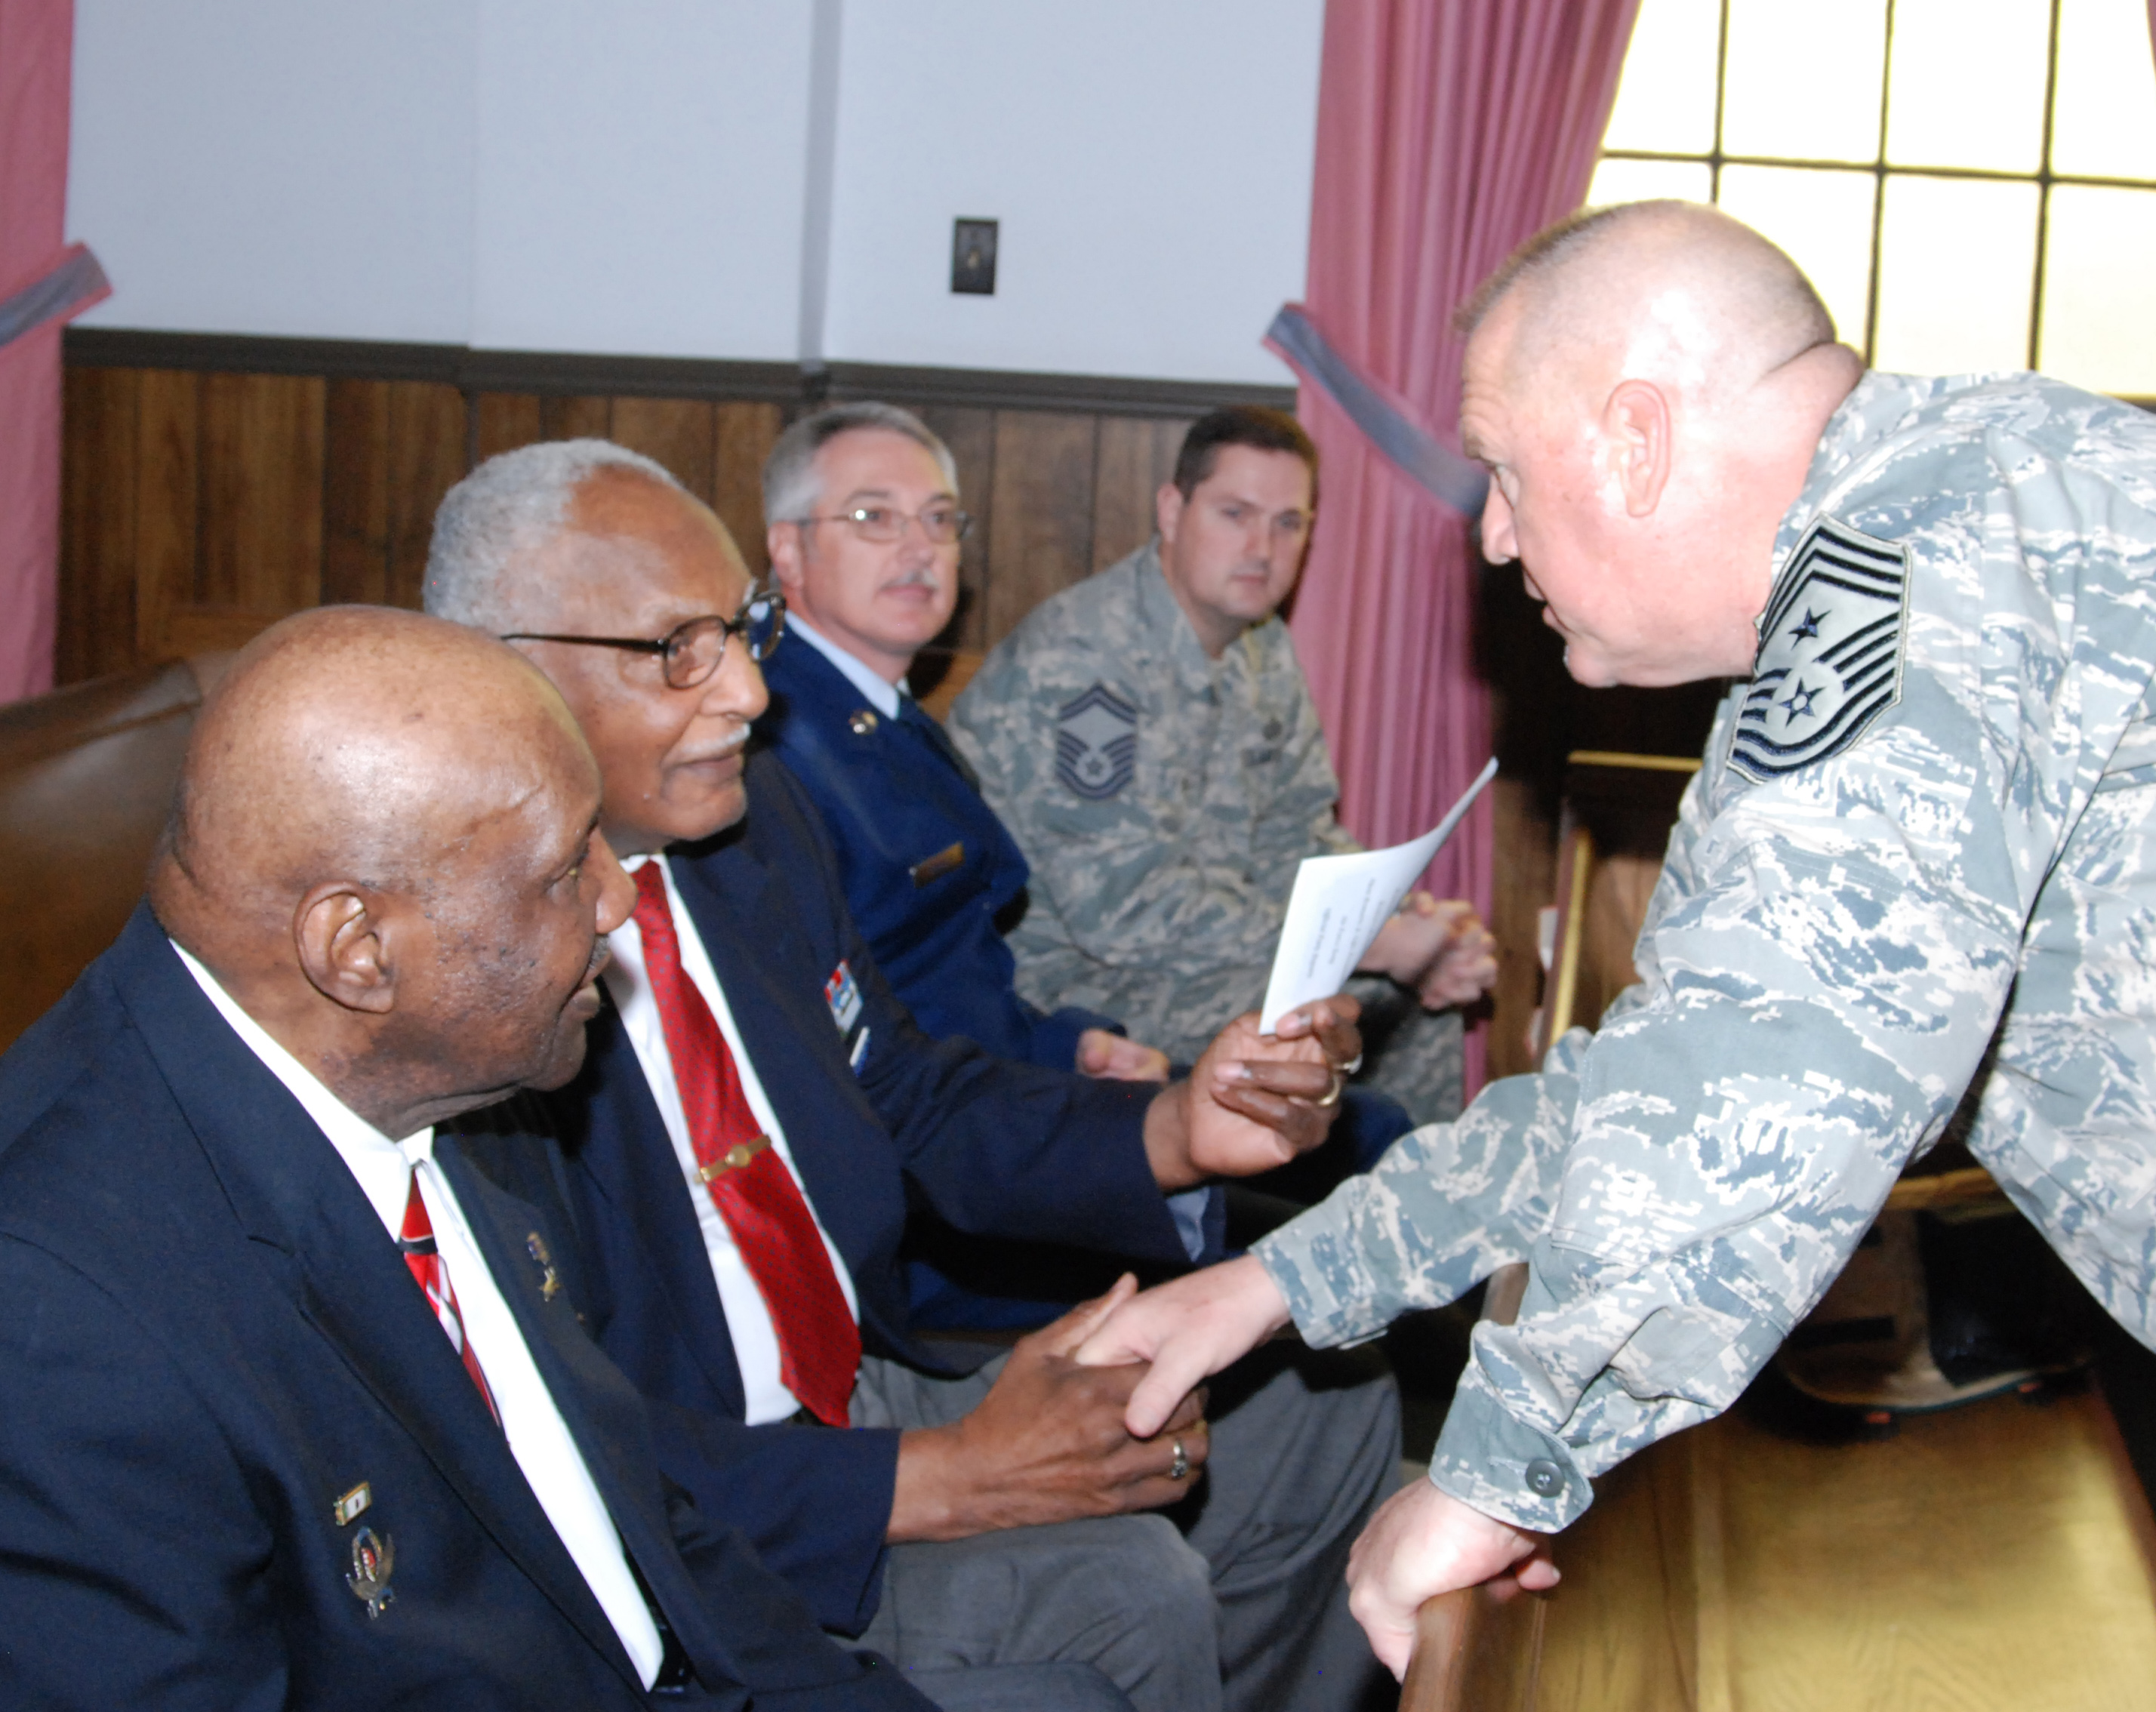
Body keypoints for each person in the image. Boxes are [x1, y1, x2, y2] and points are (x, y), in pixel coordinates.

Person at [1069, 197, 2156, 1677]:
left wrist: (1487, 1475)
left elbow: (1761, 1086)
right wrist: (1278, 1284)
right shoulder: (1925, 521)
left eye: (1508, 473)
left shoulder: (1916, 557)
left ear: (1633, 437)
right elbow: (1643, 1084)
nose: (1497, 535)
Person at [421, 441, 1401, 1712]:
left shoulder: (743, 827)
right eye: (676, 650)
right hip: (713, 1498)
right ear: (505, 674)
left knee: (1325, 1393)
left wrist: (1172, 1127)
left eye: (741, 631)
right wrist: (941, 1476)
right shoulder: (453, 974)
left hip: (854, 1366)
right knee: (1134, 1587)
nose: (748, 695)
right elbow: (541, 1432)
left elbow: (907, 1091)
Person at [0, 606, 1101, 1710]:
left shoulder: (429, 1066)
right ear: (359, 950)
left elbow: (638, 1526)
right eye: (566, 870)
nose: (622, 901)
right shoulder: (59, 1325)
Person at [756, 401, 1417, 1319]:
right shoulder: (776, 745)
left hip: (1006, 1077)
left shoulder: (882, 718)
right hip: (929, 1176)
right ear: (788, 552)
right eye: (874, 518)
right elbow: (890, 1043)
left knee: (1369, 1068)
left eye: (941, 521)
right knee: (1337, 1186)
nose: (919, 547)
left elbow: (948, 975)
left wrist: (1066, 1046)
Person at [949, 405, 1497, 1130]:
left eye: (1288, 523)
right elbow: (1125, 910)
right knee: (1349, 1015)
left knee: (1411, 1005)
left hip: (1195, 952)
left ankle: (1402, 1235)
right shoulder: (1083, 664)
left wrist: (1402, 918)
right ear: (1173, 511)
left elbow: (1296, 837)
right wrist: (1374, 947)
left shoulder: (1261, 644)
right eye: (1234, 513)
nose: (1262, 549)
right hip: (1065, 986)